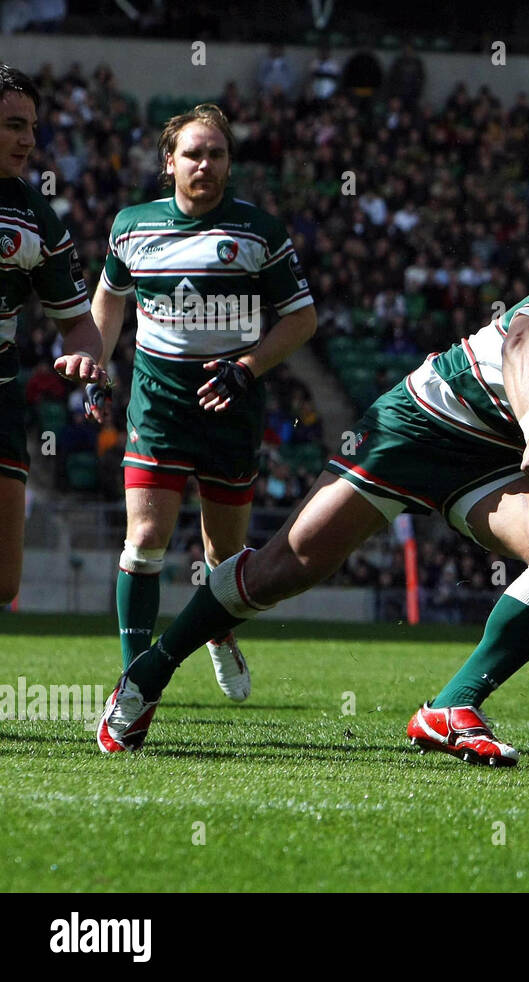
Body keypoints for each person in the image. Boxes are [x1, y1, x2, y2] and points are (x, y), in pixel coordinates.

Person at [95, 275, 529, 756]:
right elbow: (522, 341)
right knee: (282, 569)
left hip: (493, 458)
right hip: (425, 418)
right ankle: (150, 671)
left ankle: (453, 705)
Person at [90, 104, 317, 701]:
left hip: (231, 413)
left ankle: (216, 634)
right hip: (158, 408)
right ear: (170, 163)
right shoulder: (132, 226)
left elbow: (301, 319)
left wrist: (247, 369)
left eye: (217, 154)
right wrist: (98, 367)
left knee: (225, 556)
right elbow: (109, 300)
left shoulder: (258, 232)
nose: (205, 164)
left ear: (229, 164)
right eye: (193, 153)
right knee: (143, 542)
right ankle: (136, 682)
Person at [0, 64, 105, 605]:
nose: (27, 140)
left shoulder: (37, 218)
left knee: (3, 581)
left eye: (33, 127)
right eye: (14, 124)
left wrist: (87, 357)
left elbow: (79, 324)